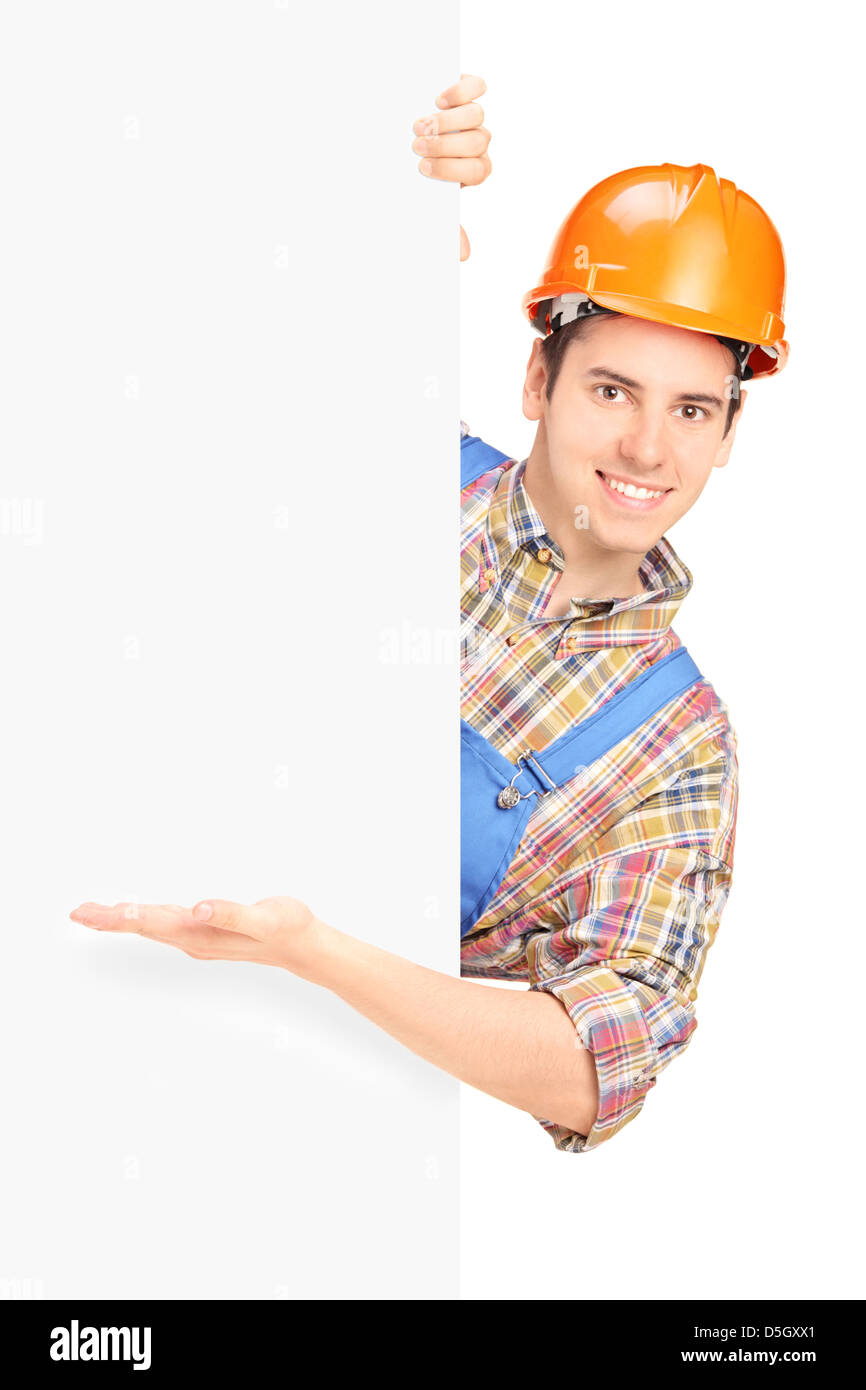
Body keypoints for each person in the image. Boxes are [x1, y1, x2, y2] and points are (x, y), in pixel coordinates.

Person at [69, 75, 789, 1156]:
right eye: (610, 389)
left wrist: (315, 952)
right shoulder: (393, 463)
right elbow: (210, 330)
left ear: (727, 432)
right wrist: (396, 187)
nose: (648, 449)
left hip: (298, 1137)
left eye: (689, 409)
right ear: (536, 378)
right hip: (72, 974)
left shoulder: (678, 750)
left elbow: (604, 1061)